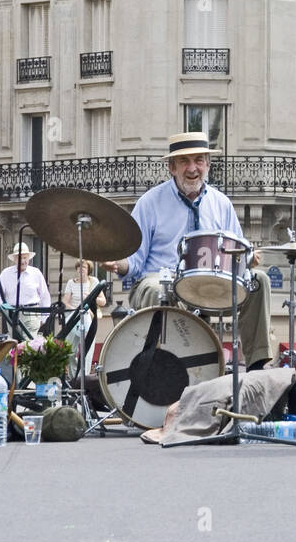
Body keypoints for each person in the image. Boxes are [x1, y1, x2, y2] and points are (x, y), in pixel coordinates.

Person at [107, 132, 275, 368]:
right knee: (158, 288)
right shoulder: (149, 202)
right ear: (171, 167)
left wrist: (247, 259)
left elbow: (237, 249)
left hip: (209, 281)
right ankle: (160, 366)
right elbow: (134, 261)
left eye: (198, 160)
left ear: (207, 164)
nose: (192, 168)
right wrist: (119, 263)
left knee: (259, 281)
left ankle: (257, 365)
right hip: (162, 278)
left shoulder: (221, 203)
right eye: (184, 161)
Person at [0, 243, 52, 336]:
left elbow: (44, 296)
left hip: (31, 313)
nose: (23, 261)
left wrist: (44, 318)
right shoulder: (6, 273)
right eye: (20, 258)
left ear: (29, 258)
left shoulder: (36, 273)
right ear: (14, 259)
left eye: (25, 257)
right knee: (15, 345)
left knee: (28, 344)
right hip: (12, 313)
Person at [63, 259, 107, 345]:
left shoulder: (94, 281)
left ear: (88, 270)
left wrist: (92, 298)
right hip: (73, 318)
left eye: (83, 267)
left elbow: (103, 301)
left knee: (87, 348)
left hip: (89, 318)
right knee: (70, 347)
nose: (81, 269)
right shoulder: (71, 283)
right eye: (79, 267)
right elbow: (65, 302)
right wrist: (75, 310)